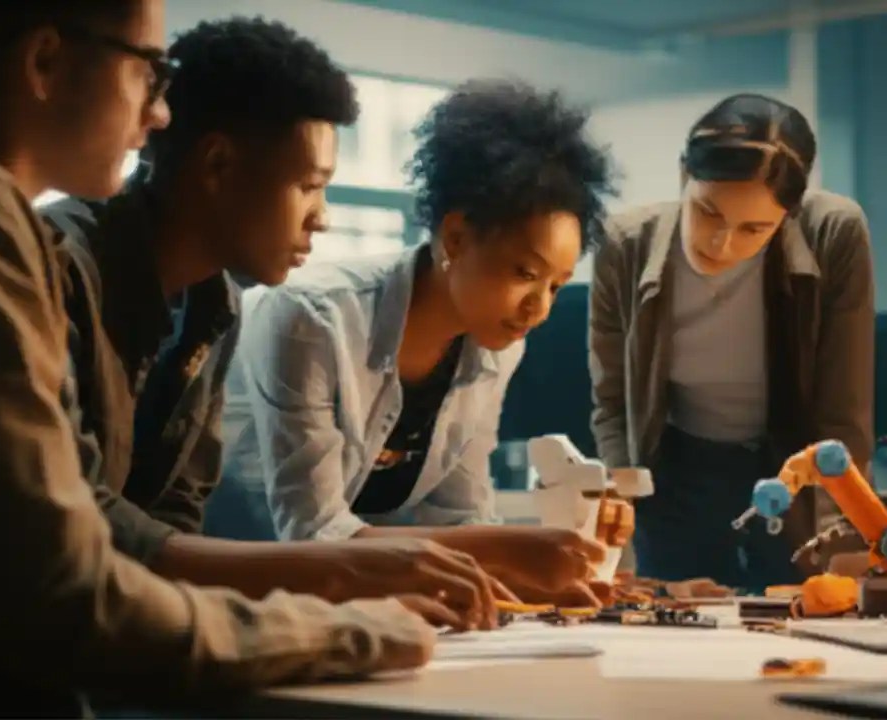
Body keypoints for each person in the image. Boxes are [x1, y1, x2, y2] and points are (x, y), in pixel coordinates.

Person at [0, 2, 434, 715]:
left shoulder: (209, 303)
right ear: (45, 62)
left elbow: (162, 531)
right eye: (150, 72)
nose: (158, 113)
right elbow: (70, 594)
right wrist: (351, 625)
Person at [43, 16, 503, 633]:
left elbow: (175, 521)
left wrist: (335, 598)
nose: (321, 220)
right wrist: (337, 575)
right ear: (218, 164)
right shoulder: (56, 266)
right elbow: (74, 519)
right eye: (308, 186)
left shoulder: (215, 305)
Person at [231, 79, 618, 604]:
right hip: (230, 600)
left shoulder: (496, 345)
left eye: (555, 284)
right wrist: (505, 550)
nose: (541, 307)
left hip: (347, 602)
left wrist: (541, 584)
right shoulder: (311, 319)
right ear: (455, 238)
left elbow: (460, 515)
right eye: (525, 273)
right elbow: (313, 532)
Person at [588, 93, 874, 593]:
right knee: (673, 623)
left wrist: (843, 533)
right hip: (675, 469)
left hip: (791, 467)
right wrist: (623, 493)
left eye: (753, 229)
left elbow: (842, 413)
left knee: (801, 613)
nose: (722, 245)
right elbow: (612, 400)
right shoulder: (624, 244)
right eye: (707, 213)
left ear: (788, 214)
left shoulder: (835, 233)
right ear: (683, 176)